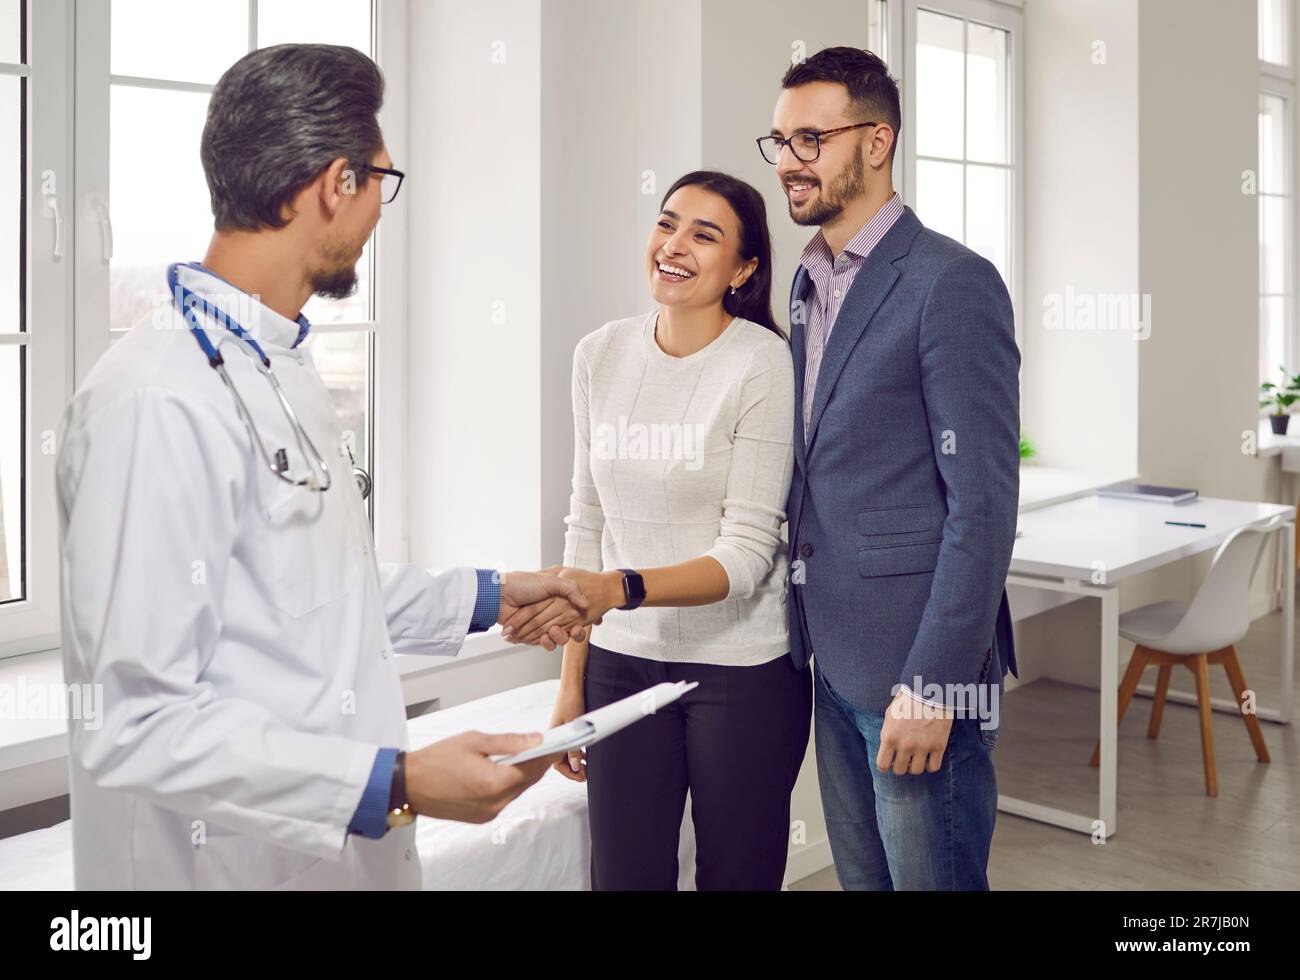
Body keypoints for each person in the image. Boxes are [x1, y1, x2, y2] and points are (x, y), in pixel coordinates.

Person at [55, 44, 587, 890]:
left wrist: (489, 595)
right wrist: (396, 782)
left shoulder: (275, 360)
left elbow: (307, 591)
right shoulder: (155, 399)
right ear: (333, 184)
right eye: (381, 179)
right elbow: (133, 720)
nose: (382, 207)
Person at [762, 47, 1020, 890]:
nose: (789, 164)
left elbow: (980, 506)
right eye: (779, 142)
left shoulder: (951, 281)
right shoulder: (809, 282)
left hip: (917, 669)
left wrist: (936, 685)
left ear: (877, 142)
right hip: (832, 659)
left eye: (810, 140)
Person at [511, 171, 809, 890]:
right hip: (619, 661)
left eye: (705, 235)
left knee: (737, 877)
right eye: (667, 223)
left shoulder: (761, 361)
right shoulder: (599, 355)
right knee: (625, 877)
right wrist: (569, 686)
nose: (674, 245)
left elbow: (744, 556)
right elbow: (586, 522)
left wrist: (618, 588)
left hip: (741, 671)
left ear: (742, 269)